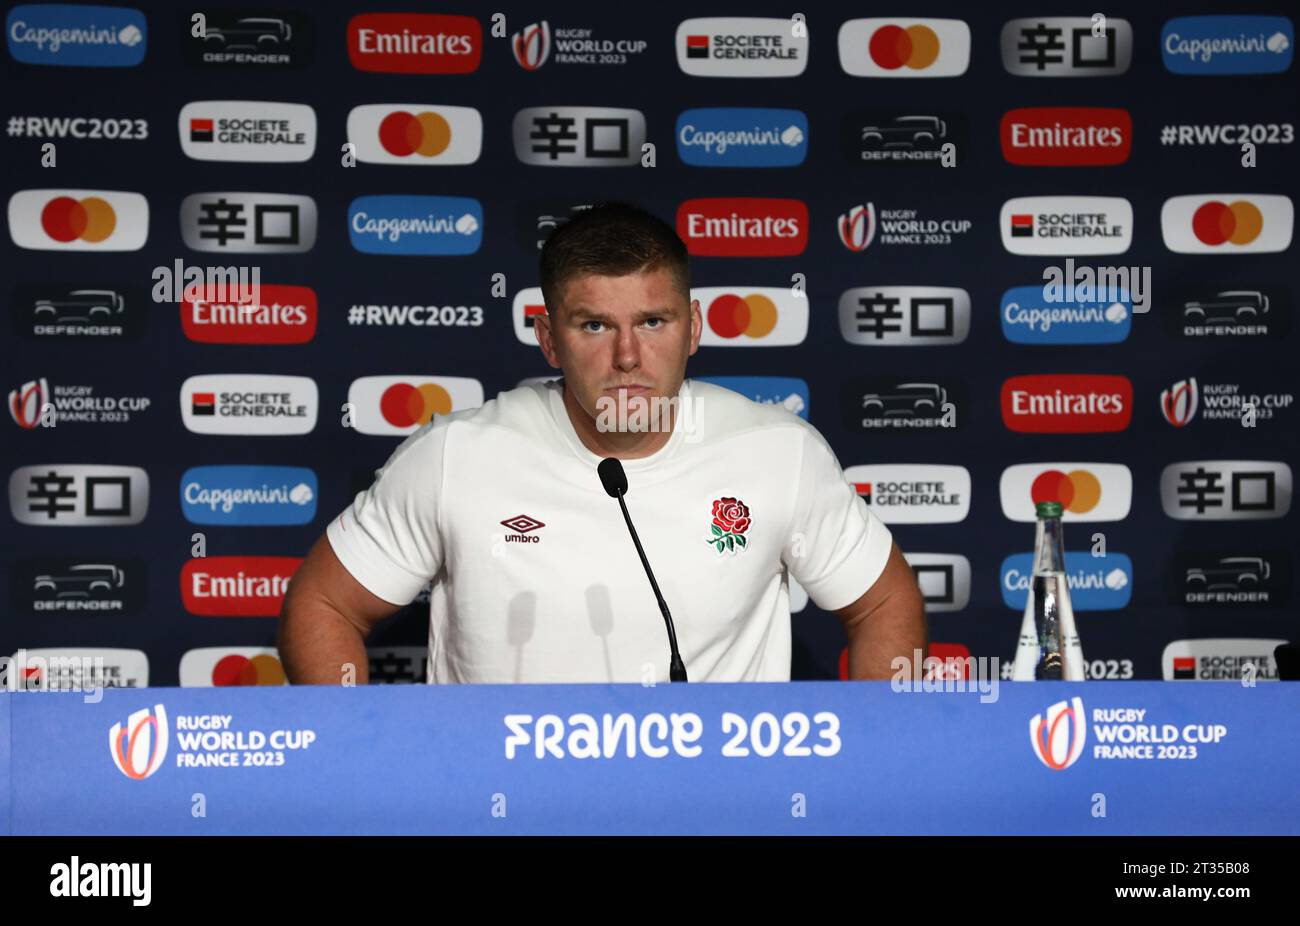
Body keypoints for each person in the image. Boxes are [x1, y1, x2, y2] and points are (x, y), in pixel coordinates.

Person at [278, 201, 926, 683]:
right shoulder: (457, 457)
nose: (627, 356)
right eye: (594, 325)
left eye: (653, 321)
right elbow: (325, 603)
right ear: (549, 338)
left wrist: (883, 752)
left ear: (694, 328)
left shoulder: (778, 455)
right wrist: (359, 752)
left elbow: (885, 600)